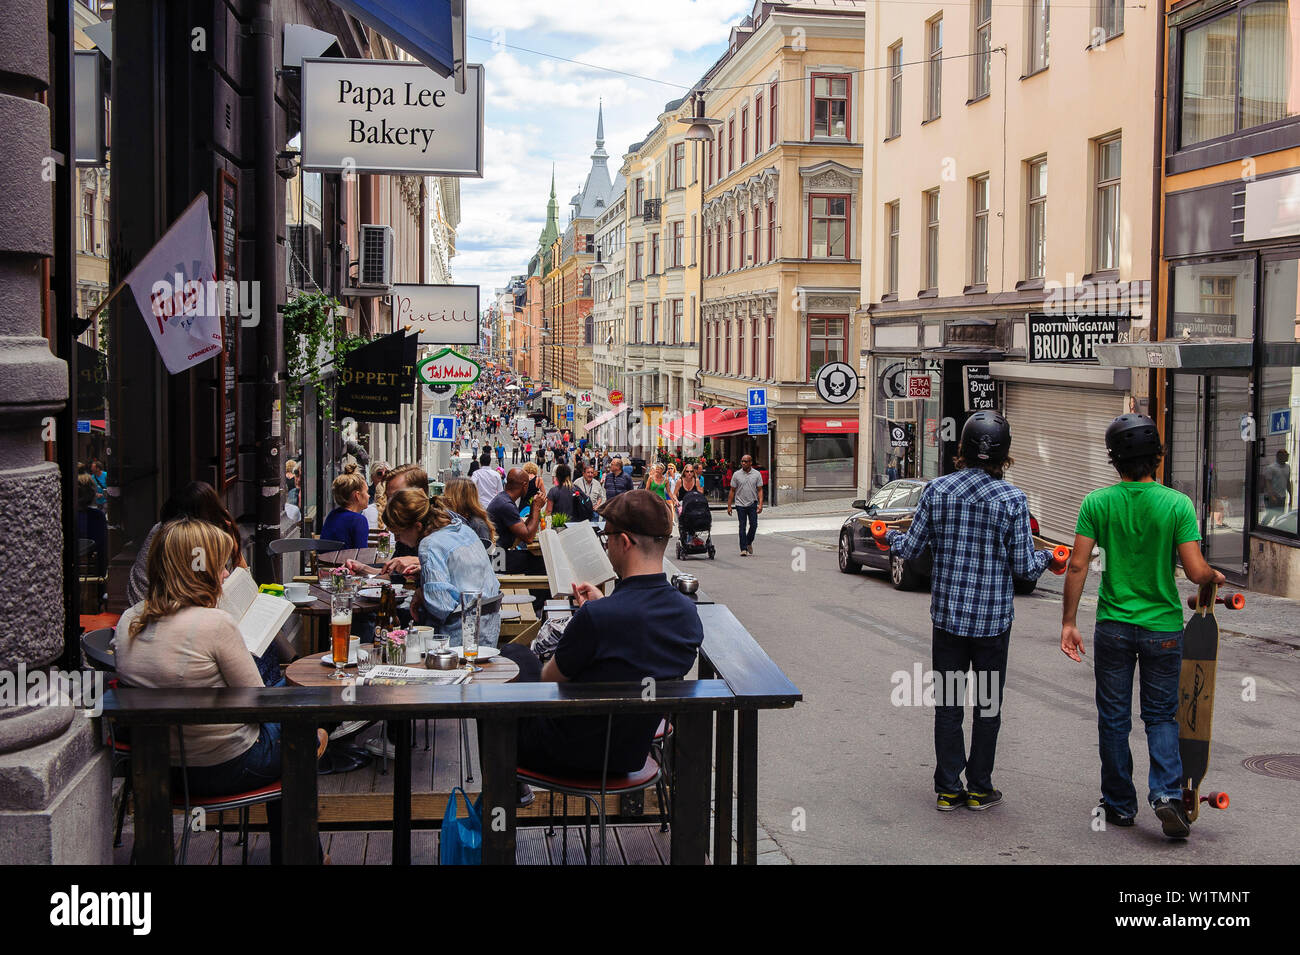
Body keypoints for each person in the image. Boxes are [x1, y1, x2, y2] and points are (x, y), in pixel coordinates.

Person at [113, 518, 329, 864]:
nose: (226, 575)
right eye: (220, 565)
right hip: (223, 766)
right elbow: (261, 705)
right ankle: (301, 858)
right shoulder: (214, 624)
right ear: (194, 568)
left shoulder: (129, 620)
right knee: (303, 736)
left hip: (157, 769)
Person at [1061, 414, 1224, 839]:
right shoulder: (1176, 505)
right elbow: (1193, 571)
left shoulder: (1097, 503)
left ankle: (1118, 805)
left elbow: (1077, 565)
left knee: (1113, 719)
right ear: (1158, 457)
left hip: (1113, 625)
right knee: (1162, 717)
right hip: (1163, 629)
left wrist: (1068, 622)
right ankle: (1167, 796)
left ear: (1114, 460)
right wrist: (1212, 577)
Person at [884, 411, 1052, 812]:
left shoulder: (937, 491)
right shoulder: (1012, 500)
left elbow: (908, 549)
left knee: (948, 707)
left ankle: (947, 789)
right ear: (1004, 455)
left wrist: (888, 535)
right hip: (992, 625)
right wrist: (1047, 556)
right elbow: (1025, 568)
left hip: (949, 622)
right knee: (988, 707)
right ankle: (979, 789)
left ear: (961, 449)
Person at [515, 490, 704, 775]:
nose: (606, 546)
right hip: (630, 755)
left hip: (568, 751)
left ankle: (504, 794)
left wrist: (592, 618)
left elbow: (548, 680)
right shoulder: (687, 616)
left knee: (516, 658)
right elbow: (638, 638)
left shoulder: (597, 618)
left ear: (624, 542)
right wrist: (603, 609)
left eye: (607, 538)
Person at [383, 490, 503, 647]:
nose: (397, 539)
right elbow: (465, 575)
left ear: (417, 526)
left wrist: (422, 591)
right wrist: (423, 576)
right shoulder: (462, 529)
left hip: (458, 636)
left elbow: (440, 606)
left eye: (397, 534)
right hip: (489, 628)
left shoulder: (429, 545)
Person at [488, 467, 551, 551]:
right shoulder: (506, 505)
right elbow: (528, 538)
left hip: (499, 550)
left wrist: (533, 508)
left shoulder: (504, 498)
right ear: (524, 485)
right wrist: (537, 509)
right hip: (498, 556)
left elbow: (523, 527)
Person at [320, 468, 370, 550]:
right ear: (357, 495)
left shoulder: (332, 514)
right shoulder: (359, 520)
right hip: (346, 562)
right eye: (366, 492)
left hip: (325, 562)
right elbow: (362, 554)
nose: (369, 496)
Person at [441, 476, 495, 550]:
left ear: (456, 498)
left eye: (446, 494)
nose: (443, 497)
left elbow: (482, 557)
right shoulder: (451, 518)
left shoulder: (477, 524)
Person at [727, 454, 764, 556]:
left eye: (745, 461)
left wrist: (760, 504)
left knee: (754, 525)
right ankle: (743, 549)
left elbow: (760, 490)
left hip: (752, 503)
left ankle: (748, 542)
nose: (743, 463)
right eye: (742, 461)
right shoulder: (736, 474)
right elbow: (732, 490)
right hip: (740, 504)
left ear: (750, 463)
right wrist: (729, 505)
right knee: (742, 526)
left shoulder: (757, 474)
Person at [1261, 449, 1292, 524]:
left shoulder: (1287, 467)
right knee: (1270, 514)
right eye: (1285, 455)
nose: (1287, 457)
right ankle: (1263, 527)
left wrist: (1290, 495)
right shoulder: (1271, 468)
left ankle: (1276, 530)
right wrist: (1272, 496)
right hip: (1271, 496)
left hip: (1282, 496)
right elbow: (1268, 483)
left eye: (1287, 455)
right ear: (1279, 456)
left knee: (1280, 516)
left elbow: (1287, 481)